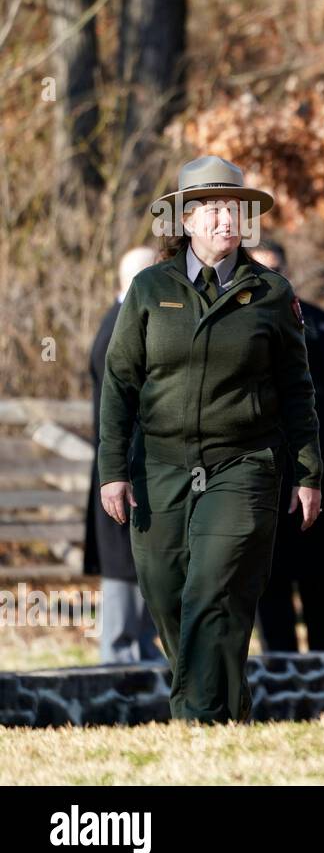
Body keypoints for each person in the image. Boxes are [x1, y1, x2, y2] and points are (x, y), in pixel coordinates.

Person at [98, 155, 323, 723]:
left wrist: (307, 471)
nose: (228, 220)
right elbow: (119, 382)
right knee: (168, 594)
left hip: (243, 465)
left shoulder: (271, 293)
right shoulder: (149, 289)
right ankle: (227, 711)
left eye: (236, 209)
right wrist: (113, 469)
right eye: (215, 209)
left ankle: (194, 723)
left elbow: (298, 390)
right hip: (159, 467)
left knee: (214, 589)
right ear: (187, 220)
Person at [249, 238, 324, 653]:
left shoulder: (321, 324)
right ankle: (280, 675)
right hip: (264, 481)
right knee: (270, 583)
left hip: (318, 478)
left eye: (275, 268)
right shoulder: (234, 327)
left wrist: (321, 464)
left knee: (320, 583)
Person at [85, 246, 165, 665]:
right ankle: (120, 666)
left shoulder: (120, 318)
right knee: (124, 571)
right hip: (126, 467)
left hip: (132, 465)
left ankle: (141, 658)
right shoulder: (123, 323)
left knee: (142, 567)